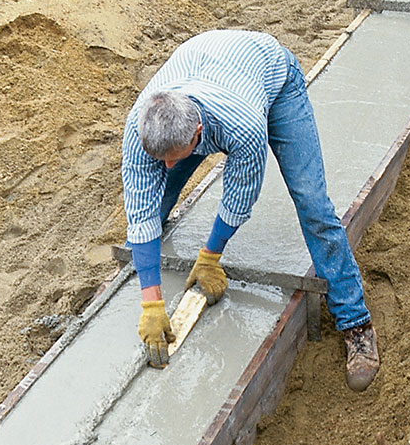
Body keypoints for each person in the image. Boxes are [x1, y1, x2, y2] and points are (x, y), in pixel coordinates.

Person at [121, 29, 379, 391]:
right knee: (156, 201)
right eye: (158, 158)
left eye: (172, 158)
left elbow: (240, 196)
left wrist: (210, 256)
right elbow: (140, 210)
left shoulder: (243, 125)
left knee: (312, 204)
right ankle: (144, 275)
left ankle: (356, 324)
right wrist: (151, 301)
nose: (165, 166)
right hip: (208, 63)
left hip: (270, 76)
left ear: (197, 134)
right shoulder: (139, 126)